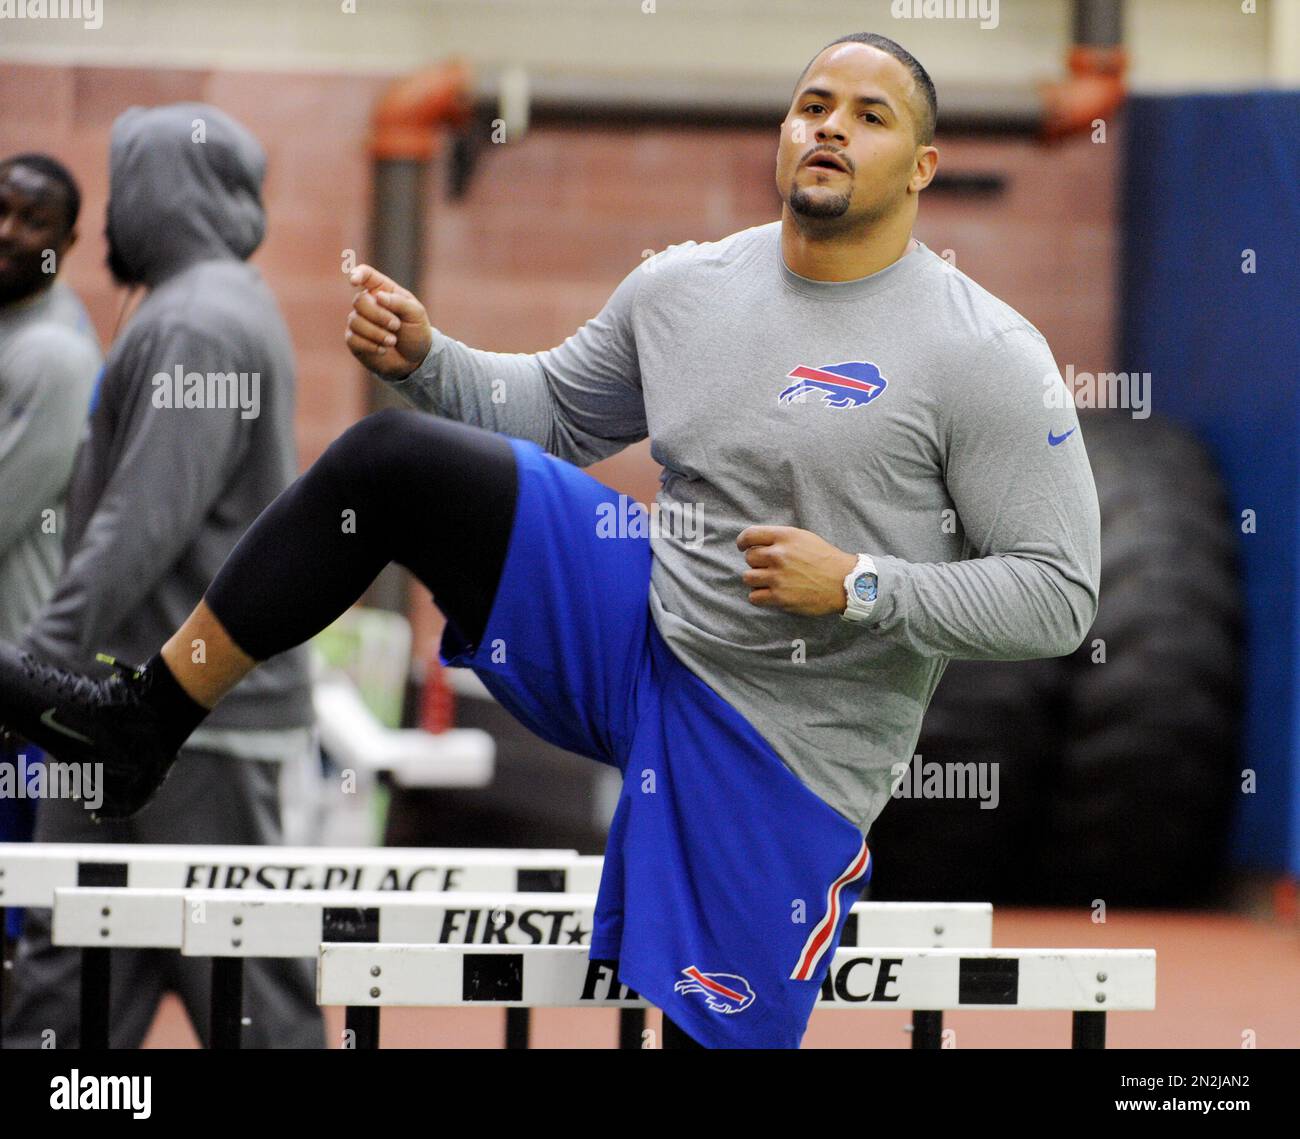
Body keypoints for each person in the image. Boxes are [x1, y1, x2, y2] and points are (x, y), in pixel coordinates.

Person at [0, 36, 1101, 1049]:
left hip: (784, 742)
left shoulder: (985, 351)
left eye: (867, 117)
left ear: (921, 166)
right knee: (391, 463)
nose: (828, 128)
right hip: (641, 620)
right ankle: (140, 721)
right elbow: (551, 415)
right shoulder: (687, 285)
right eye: (811, 105)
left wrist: (860, 584)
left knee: (703, 1034)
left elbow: (1058, 595)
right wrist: (433, 358)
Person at [0, 105, 323, 1049]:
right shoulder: (203, 306)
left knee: (245, 990)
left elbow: (135, 529)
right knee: (74, 974)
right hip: (125, 707)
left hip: (191, 723)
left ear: (166, 193)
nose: (106, 224)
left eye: (124, 190)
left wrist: (33, 671)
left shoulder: (201, 322)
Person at [0, 153, 102, 940]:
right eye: (0, 208)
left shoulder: (54, 357)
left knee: (16, 923)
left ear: (66, 242)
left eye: (32, 220)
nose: (9, 230)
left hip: (16, 690)